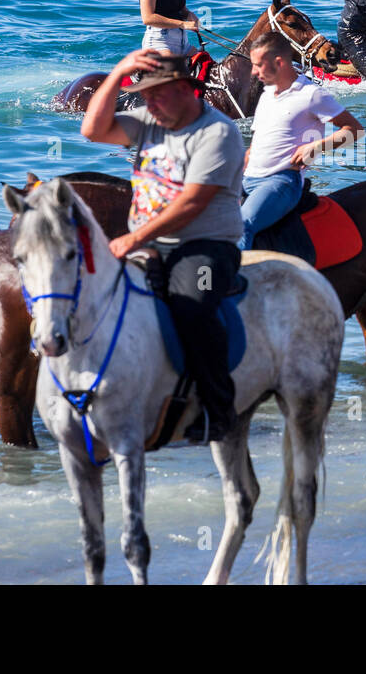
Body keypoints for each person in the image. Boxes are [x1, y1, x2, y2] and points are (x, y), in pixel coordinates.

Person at [80, 50, 244, 443]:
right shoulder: (149, 121)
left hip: (205, 246)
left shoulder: (218, 133)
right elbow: (92, 130)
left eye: (157, 95)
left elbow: (192, 203)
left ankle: (218, 412)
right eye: (145, 95)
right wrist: (119, 71)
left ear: (186, 89)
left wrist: (133, 238)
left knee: (193, 305)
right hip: (147, 243)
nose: (149, 102)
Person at [239, 31, 364, 251]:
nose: (254, 71)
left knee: (241, 225)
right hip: (248, 177)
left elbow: (354, 130)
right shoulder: (267, 95)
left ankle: (230, 284)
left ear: (279, 62)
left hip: (280, 181)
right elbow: (257, 143)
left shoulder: (311, 94)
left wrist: (317, 146)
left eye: (258, 65)